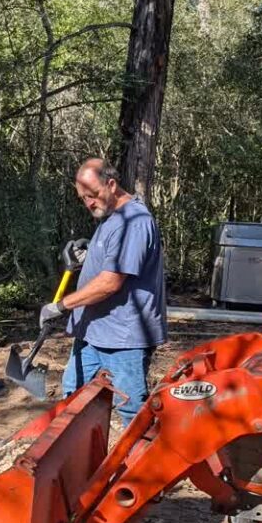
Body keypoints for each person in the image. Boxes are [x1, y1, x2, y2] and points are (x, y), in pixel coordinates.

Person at [40, 158, 168, 427]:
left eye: (93, 194)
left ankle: (146, 455)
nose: (88, 203)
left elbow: (110, 282)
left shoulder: (134, 221)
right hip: (94, 333)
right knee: (74, 400)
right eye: (83, 198)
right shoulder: (112, 218)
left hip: (124, 340)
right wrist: (88, 255)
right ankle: (80, 454)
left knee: (132, 413)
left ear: (111, 184)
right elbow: (112, 260)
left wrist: (61, 306)